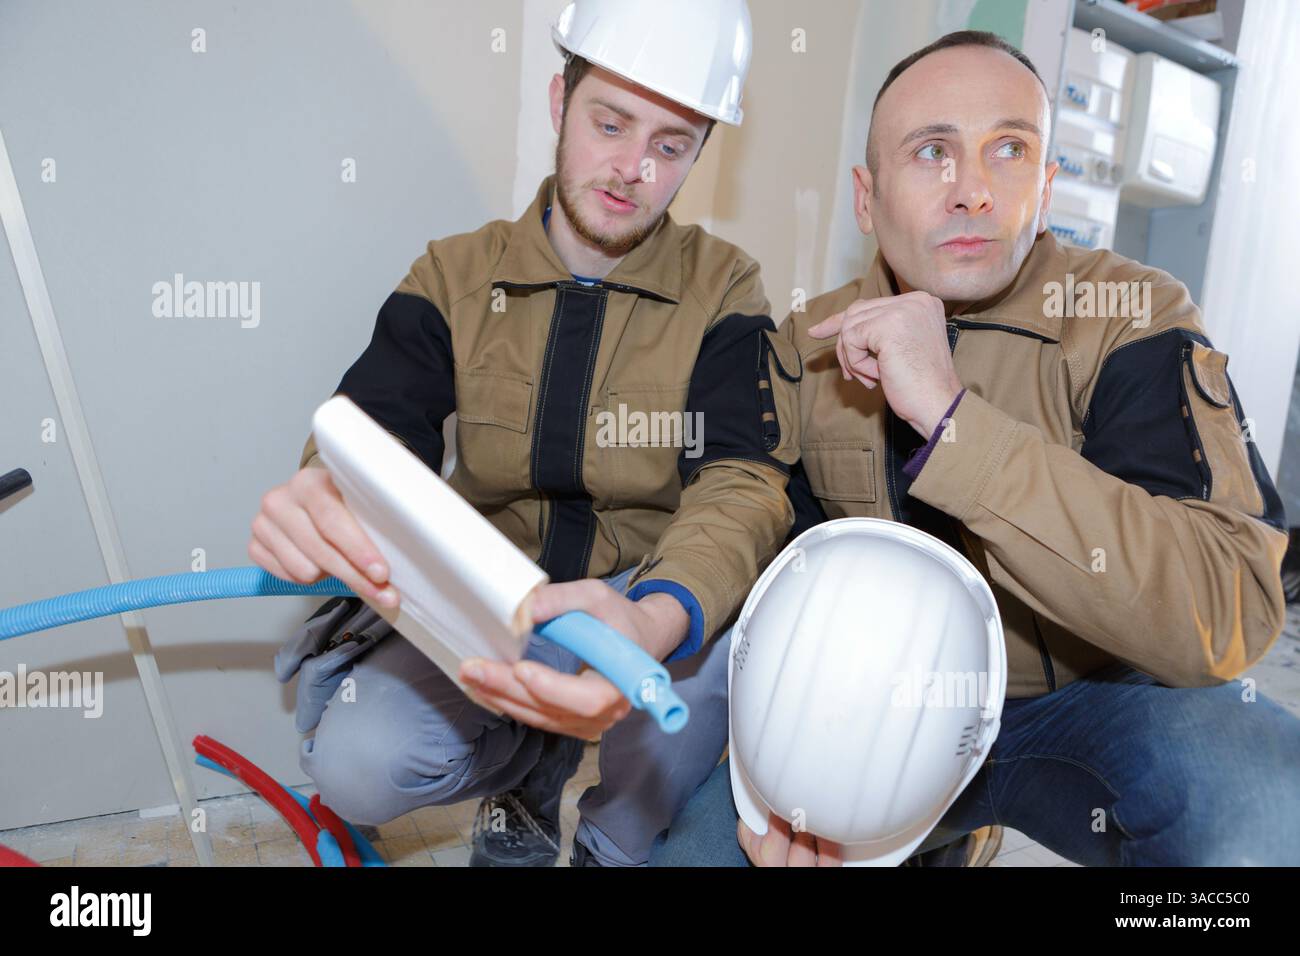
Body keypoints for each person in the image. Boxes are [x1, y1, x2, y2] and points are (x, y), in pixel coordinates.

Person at [651, 30, 1300, 867]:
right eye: (931, 153)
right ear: (866, 196)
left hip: (1091, 699)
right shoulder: (809, 348)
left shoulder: (1130, 315)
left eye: (1009, 150)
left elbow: (1229, 606)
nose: (974, 192)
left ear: (1046, 183)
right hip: (875, 710)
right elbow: (761, 547)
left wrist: (954, 420)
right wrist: (800, 750)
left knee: (1263, 825)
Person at [249, 0, 802, 868]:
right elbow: (374, 429)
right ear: (558, 102)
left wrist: (654, 622)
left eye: (670, 145)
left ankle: (611, 841)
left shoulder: (726, 290)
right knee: (357, 763)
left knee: (691, 690)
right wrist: (330, 485)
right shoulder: (454, 275)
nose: (631, 169)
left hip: (642, 590)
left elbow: (742, 483)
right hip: (492, 595)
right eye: (609, 123)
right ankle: (528, 766)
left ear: (700, 153)